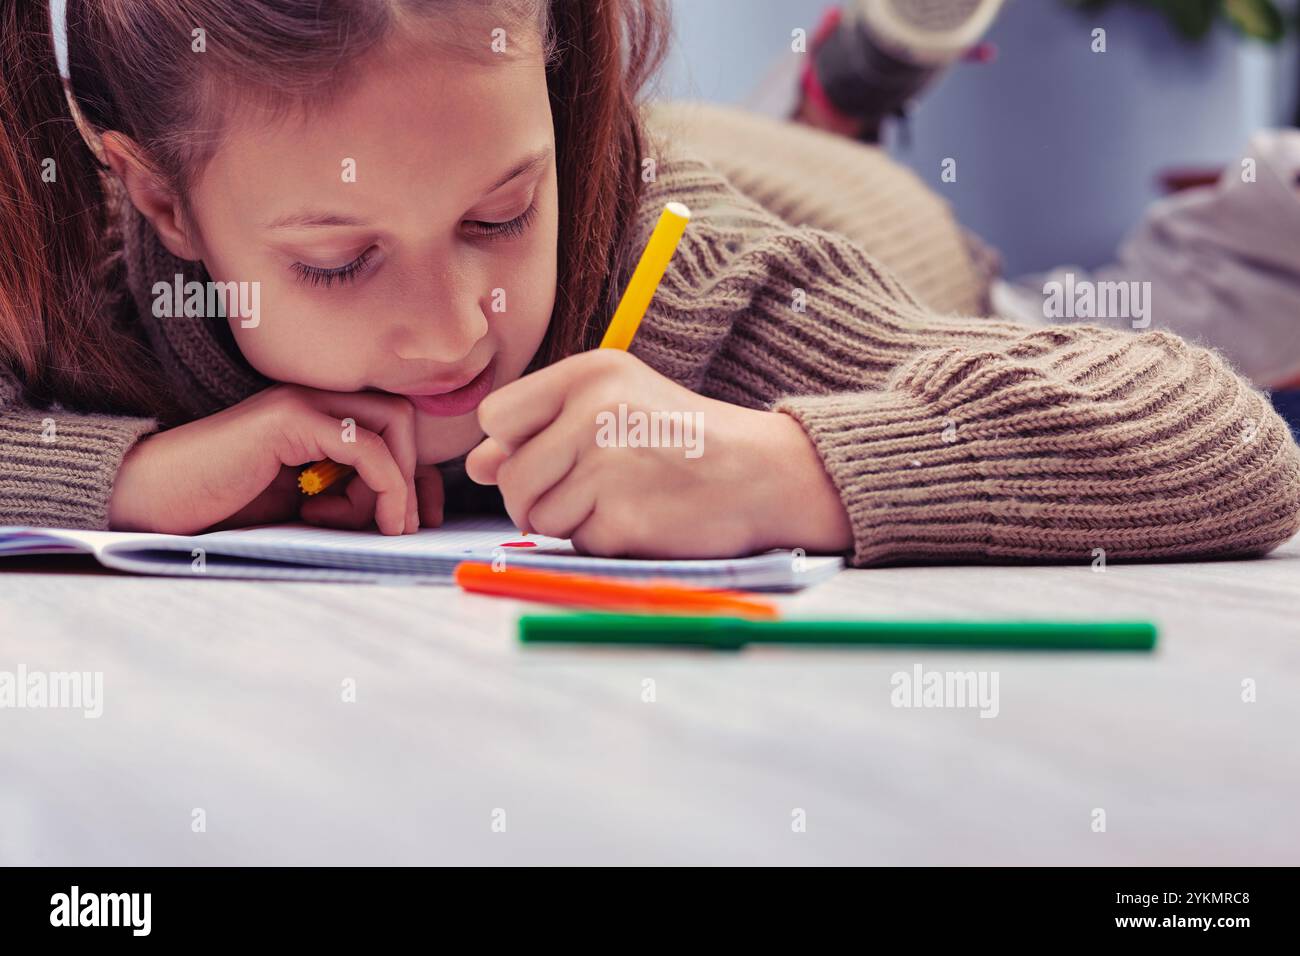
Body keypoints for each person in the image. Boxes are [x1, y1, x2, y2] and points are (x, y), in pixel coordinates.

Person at [2, 0, 1297, 566]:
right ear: (160, 201)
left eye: (502, 217)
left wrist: (784, 470)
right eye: (337, 262)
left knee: (1185, 277)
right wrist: (128, 481)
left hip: (893, 257)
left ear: (557, 99)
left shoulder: (709, 285)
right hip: (690, 154)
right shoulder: (105, 279)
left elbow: (1230, 446)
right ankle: (836, 92)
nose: (457, 332)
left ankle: (842, 108)